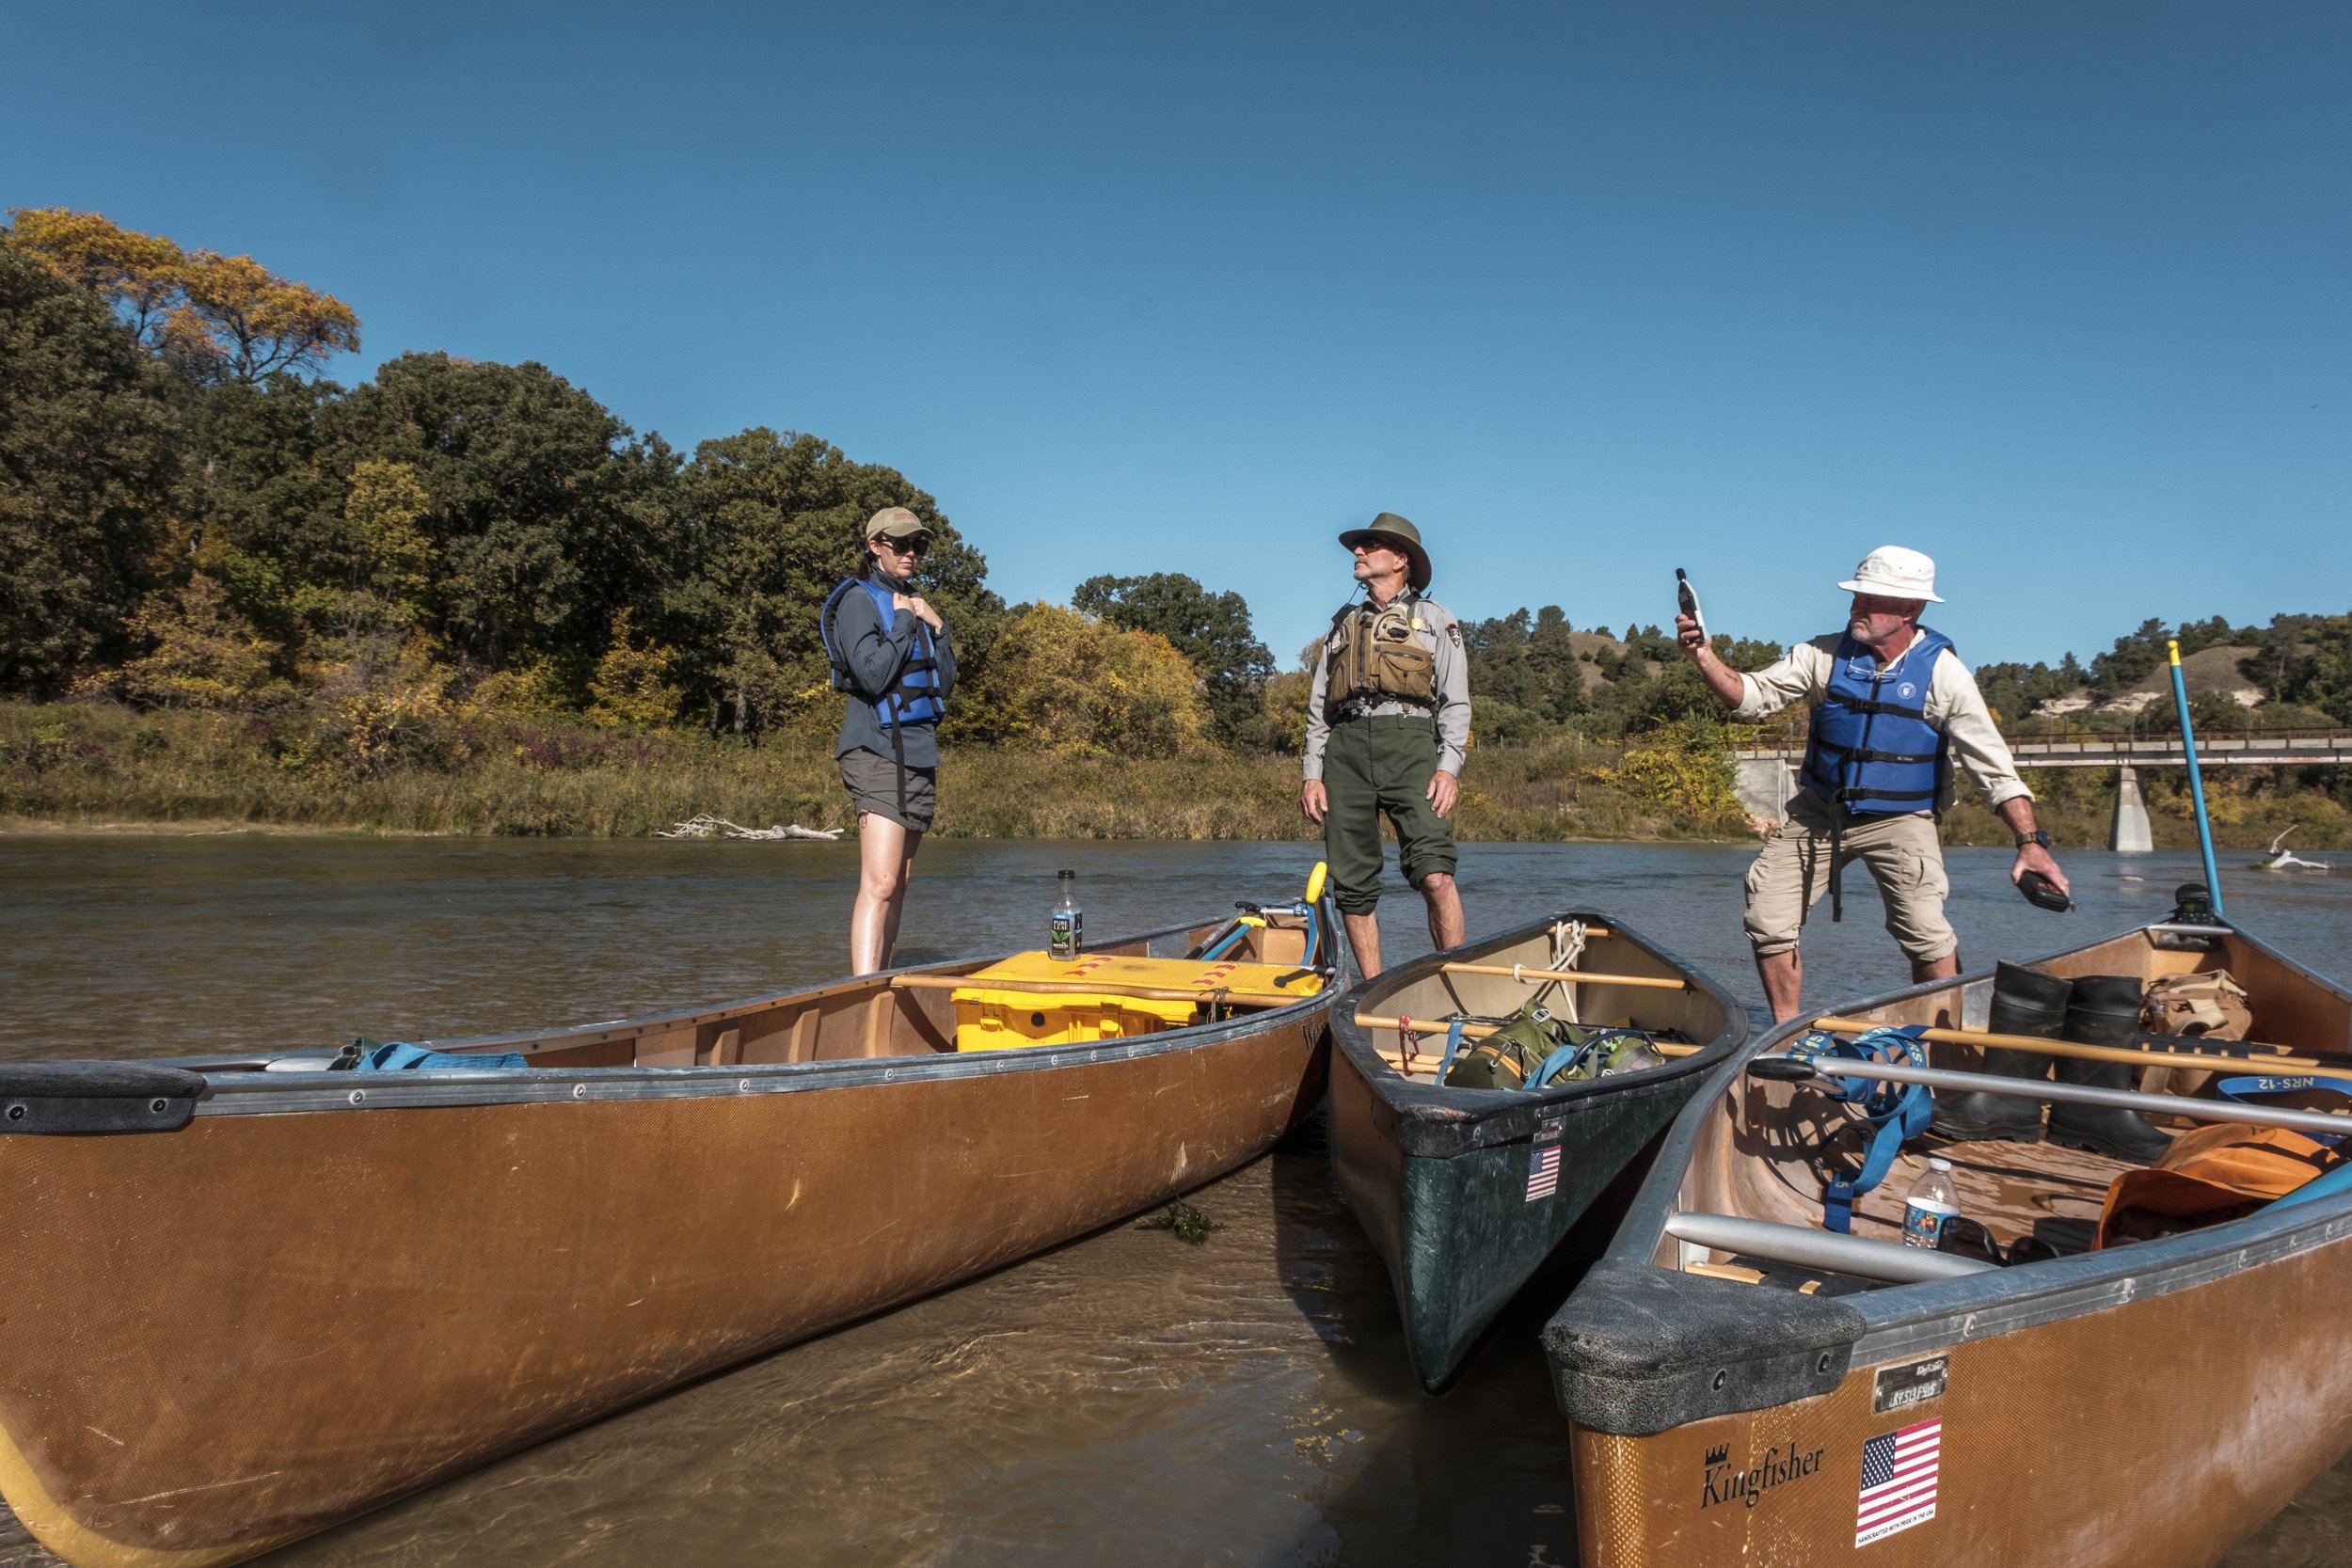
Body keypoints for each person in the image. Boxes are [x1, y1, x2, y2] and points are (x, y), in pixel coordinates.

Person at [1676, 546, 2069, 1021]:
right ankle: (1788, 1035)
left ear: (1910, 609)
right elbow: (1751, 698)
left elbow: (1994, 770)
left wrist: (2030, 842)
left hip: (1902, 819)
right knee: (1767, 919)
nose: (1856, 606)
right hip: (1820, 814)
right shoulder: (1820, 655)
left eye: (1871, 599)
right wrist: (1703, 655)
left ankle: (1945, 1049)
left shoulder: (1944, 675)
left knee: (1926, 936)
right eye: (1857, 595)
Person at [1300, 513, 1470, 978]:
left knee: (1435, 873)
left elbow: (1456, 702)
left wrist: (1448, 767)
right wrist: (1311, 773)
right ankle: (1373, 992)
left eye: (1369, 545)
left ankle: (1453, 980)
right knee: (1352, 885)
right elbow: (1319, 707)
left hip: (1411, 744)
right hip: (1346, 750)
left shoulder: (1436, 620)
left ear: (1400, 559)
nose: (1357, 552)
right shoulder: (1342, 624)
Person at [823, 506, 956, 974]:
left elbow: (943, 684)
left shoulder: (916, 603)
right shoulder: (860, 601)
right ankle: (862, 991)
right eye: (901, 544)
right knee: (879, 883)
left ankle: (883, 977)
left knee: (898, 883)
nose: (911, 554)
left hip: (919, 752)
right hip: (874, 749)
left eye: (918, 545)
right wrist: (904, 623)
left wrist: (939, 630)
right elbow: (873, 674)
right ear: (875, 547)